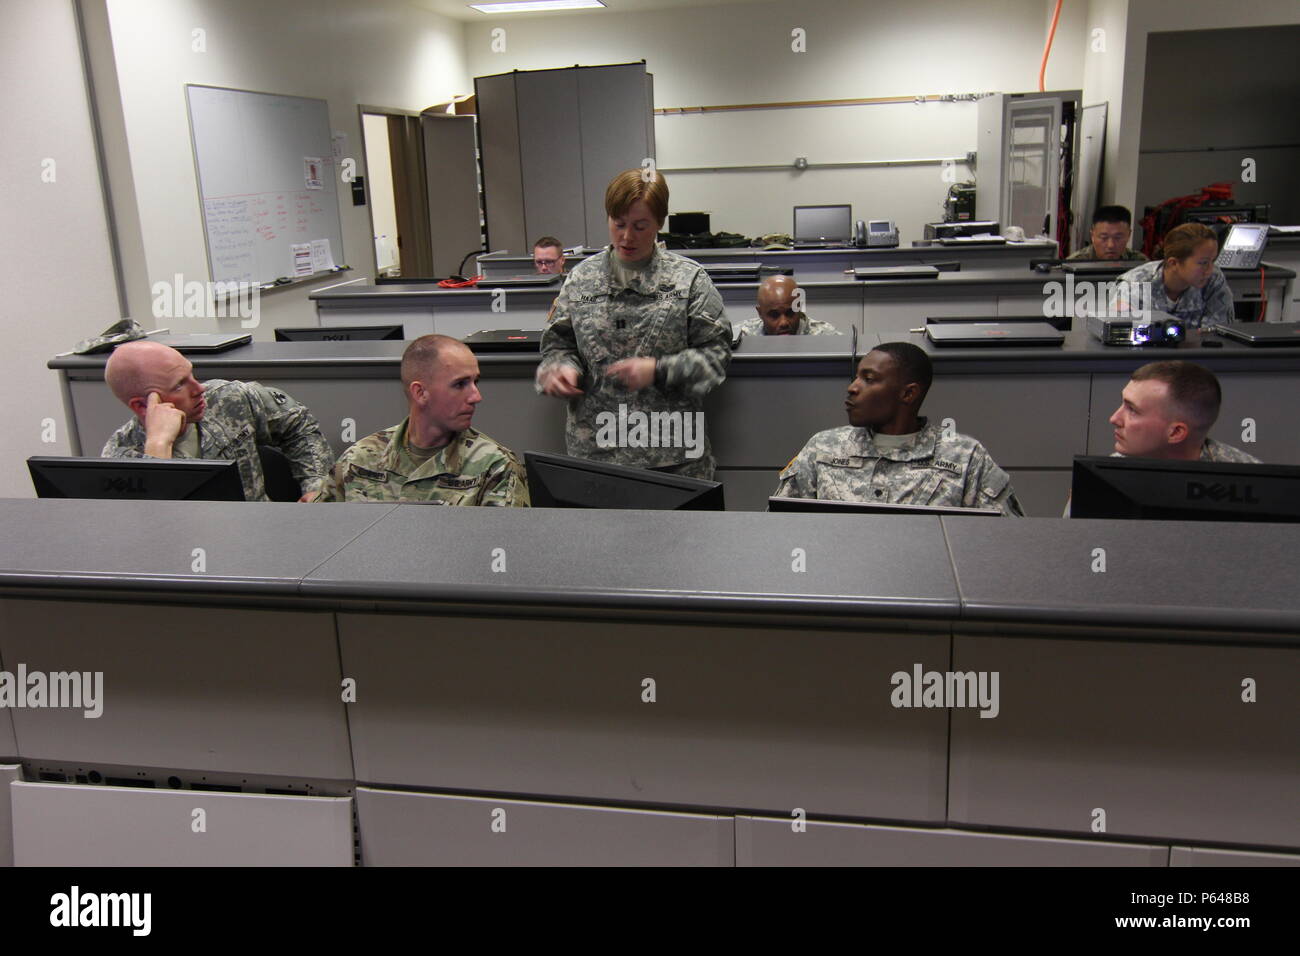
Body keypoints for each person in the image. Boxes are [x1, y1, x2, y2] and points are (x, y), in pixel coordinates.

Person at [536, 168, 731, 480]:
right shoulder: (581, 280)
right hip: (596, 454)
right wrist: (560, 368)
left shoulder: (689, 279)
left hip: (674, 458)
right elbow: (557, 345)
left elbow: (716, 358)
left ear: (659, 223)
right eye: (619, 224)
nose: (627, 236)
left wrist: (658, 370)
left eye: (640, 226)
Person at [775, 342, 1023, 514]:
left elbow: (1005, 542)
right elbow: (777, 528)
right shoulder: (823, 448)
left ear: (908, 393)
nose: (852, 387)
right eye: (856, 376)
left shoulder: (965, 457)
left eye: (869, 379)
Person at [102, 340, 333, 502]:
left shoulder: (227, 399)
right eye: (180, 385)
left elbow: (298, 425)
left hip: (263, 536)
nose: (199, 388)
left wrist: (316, 486)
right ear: (142, 406)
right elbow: (153, 532)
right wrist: (159, 446)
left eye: (192, 374)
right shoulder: (122, 457)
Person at [316, 334, 528, 505]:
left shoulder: (495, 467)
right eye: (460, 384)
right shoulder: (358, 459)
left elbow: (504, 550)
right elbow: (319, 534)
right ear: (420, 393)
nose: (476, 396)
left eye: (476, 382)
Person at [1109, 360, 1258, 463]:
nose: (1114, 419)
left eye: (1132, 410)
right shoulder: (1109, 476)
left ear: (1176, 432)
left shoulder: (1252, 483)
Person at [1111, 222, 1234, 328]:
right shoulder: (1134, 286)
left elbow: (1219, 334)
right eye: (1203, 263)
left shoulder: (1214, 280)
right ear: (1174, 263)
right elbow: (1122, 338)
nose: (1210, 269)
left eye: (1213, 260)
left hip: (1197, 354)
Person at [735, 275, 841, 336]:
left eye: (790, 313)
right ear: (760, 313)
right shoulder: (742, 336)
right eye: (774, 315)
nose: (784, 323)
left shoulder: (825, 336)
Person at [1067, 205, 1146, 261]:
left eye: (1118, 238)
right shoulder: (1075, 263)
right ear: (1092, 236)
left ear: (1128, 235)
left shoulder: (1140, 263)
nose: (1110, 245)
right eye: (1104, 238)